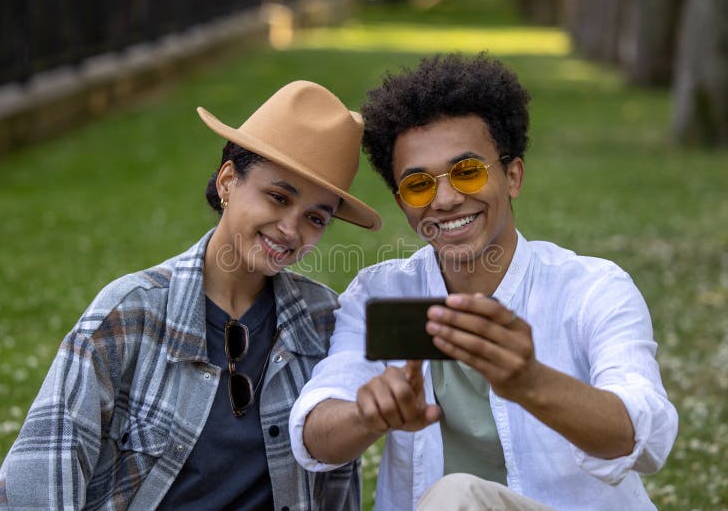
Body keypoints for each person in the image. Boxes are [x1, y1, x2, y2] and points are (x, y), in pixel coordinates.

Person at [289, 54, 678, 510]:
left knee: (456, 496)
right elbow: (315, 434)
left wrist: (530, 382)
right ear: (401, 202)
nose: (446, 199)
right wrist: (367, 413)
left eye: (467, 172)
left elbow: (646, 436)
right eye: (418, 185)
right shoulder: (383, 295)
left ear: (512, 176)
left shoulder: (591, 289)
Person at [0, 80, 381, 510]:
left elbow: (337, 486)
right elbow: (37, 478)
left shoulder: (323, 323)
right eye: (278, 196)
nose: (290, 228)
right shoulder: (131, 313)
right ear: (228, 181)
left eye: (315, 218)